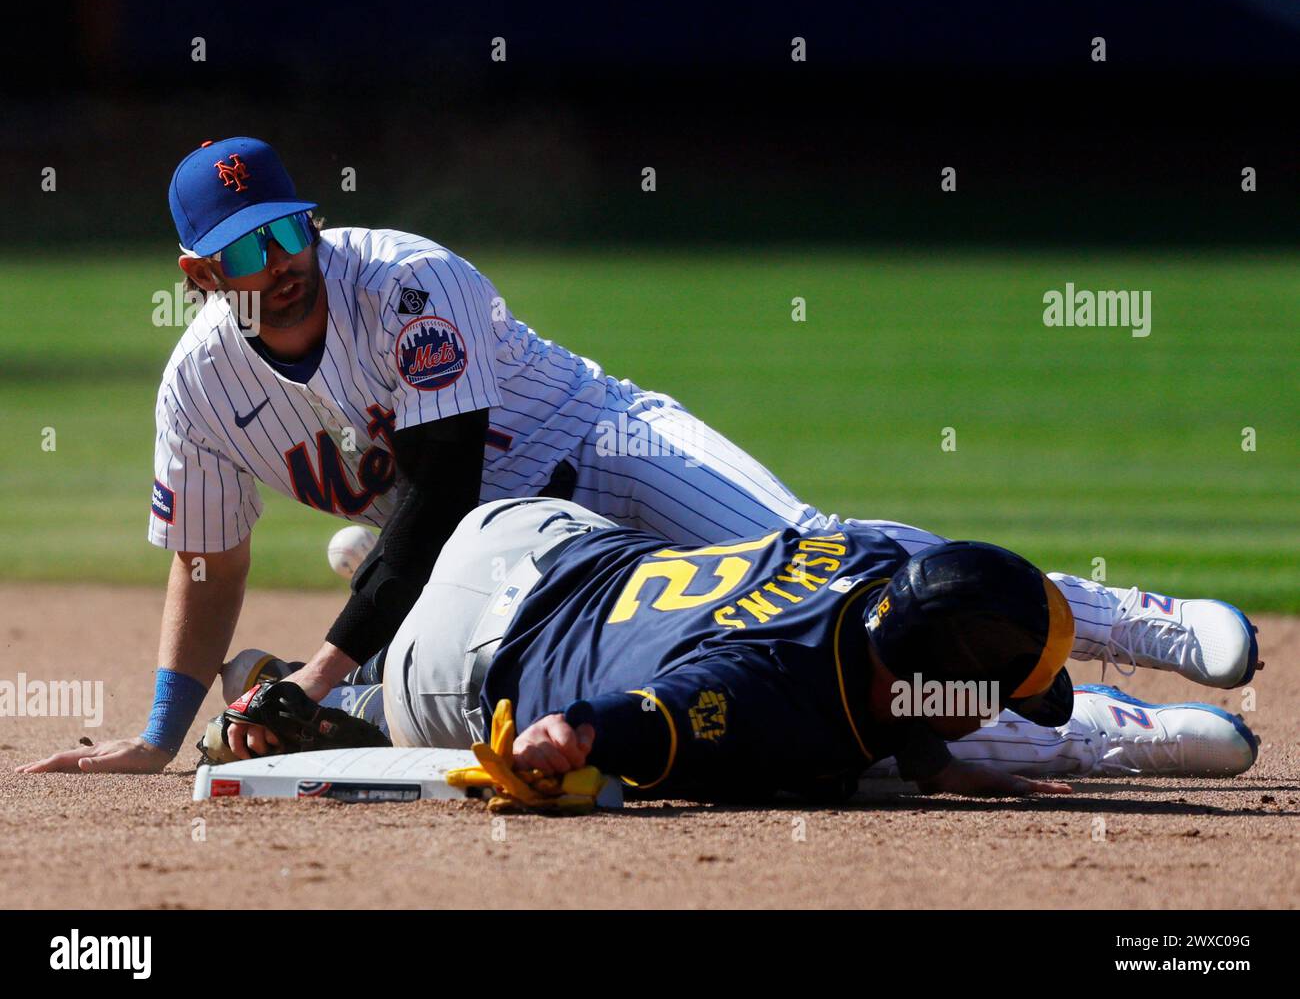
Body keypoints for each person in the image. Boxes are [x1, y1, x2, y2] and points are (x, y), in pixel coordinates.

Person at [18, 139, 1260, 775]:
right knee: (773, 677)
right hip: (504, 558)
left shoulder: (401, 280)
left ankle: (1123, 619)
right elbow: (207, 560)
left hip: (599, 446)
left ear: (314, 222)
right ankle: (1101, 729)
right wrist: (158, 731)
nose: (276, 260)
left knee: (815, 560)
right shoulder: (201, 387)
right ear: (197, 274)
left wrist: (335, 648)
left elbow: (443, 480)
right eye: (241, 249)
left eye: (286, 228)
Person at [211, 498, 1259, 802]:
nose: (996, 709)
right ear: (932, 684)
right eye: (991, 696)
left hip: (538, 531)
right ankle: (343, 662)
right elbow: (613, 725)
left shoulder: (879, 559)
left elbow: (924, 641)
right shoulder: (771, 700)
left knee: (907, 543)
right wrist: (557, 746)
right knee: (409, 712)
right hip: (460, 663)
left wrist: (944, 766)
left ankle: (382, 572)